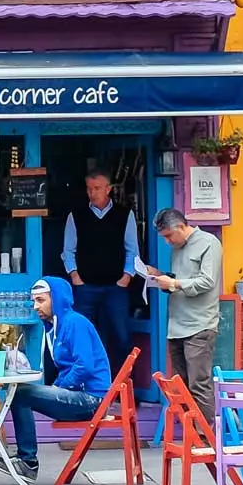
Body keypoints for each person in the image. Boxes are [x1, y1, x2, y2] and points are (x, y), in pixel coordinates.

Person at [0, 278, 113, 482]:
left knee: (21, 393)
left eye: (41, 300)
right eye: (34, 301)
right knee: (19, 393)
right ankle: (27, 460)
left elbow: (84, 367)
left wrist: (59, 386)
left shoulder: (74, 323)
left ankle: (28, 461)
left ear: (56, 299)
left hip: (91, 400)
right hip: (81, 396)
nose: (35, 307)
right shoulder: (56, 327)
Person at [144, 207, 224, 423]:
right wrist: (160, 277)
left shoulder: (209, 243)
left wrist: (175, 283)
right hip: (176, 325)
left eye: (169, 236)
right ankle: (192, 435)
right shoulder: (177, 248)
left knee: (199, 383)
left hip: (199, 324)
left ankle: (207, 437)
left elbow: (207, 281)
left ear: (181, 226)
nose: (168, 242)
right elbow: (180, 281)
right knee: (181, 384)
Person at [60, 166, 137, 375]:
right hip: (86, 288)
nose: (92, 193)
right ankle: (92, 387)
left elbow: (132, 251)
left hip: (116, 287)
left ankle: (123, 388)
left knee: (122, 337)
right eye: (89, 188)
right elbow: (68, 251)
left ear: (108, 189)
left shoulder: (124, 215)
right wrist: (75, 277)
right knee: (86, 337)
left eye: (97, 188)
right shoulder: (76, 215)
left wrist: (126, 277)